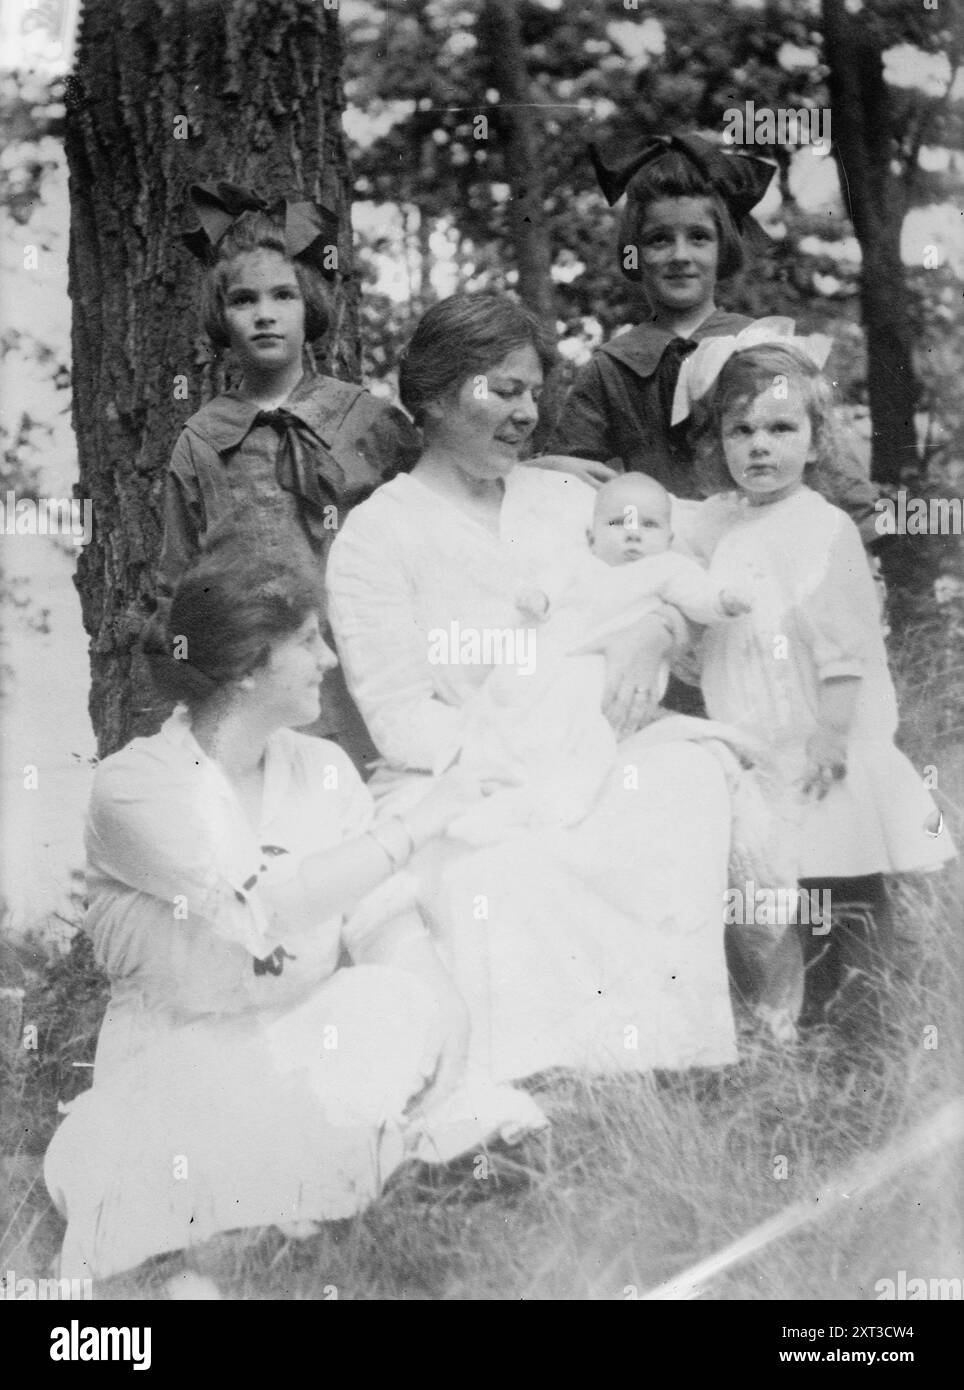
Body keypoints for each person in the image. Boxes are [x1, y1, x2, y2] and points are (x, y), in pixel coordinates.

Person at [44, 540, 543, 1284]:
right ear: (250, 665)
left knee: (398, 1005)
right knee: (155, 1166)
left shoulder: (324, 771)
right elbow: (265, 907)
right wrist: (420, 819)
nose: (329, 661)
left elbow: (381, 922)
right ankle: (281, 1211)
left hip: (304, 1038)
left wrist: (449, 1024)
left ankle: (338, 1190)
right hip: (177, 1062)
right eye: (309, 640)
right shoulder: (136, 789)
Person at [326, 291, 741, 1086]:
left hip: (598, 750)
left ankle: (670, 1061)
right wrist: (521, 756)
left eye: (532, 392)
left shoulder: (564, 501)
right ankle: (541, 1081)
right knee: (501, 868)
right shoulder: (380, 535)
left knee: (683, 782)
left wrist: (656, 629)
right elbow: (400, 717)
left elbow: (678, 571)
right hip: (462, 778)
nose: (526, 413)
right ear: (436, 396)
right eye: (502, 390)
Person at [679, 332, 956, 1031]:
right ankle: (804, 1014)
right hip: (766, 745)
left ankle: (867, 1019)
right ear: (718, 443)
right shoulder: (729, 527)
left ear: (814, 437)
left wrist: (832, 732)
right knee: (789, 886)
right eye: (741, 431)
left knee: (845, 877)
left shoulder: (822, 527)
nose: (759, 446)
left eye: (780, 428)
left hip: (822, 740)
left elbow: (845, 648)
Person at [157, 182, 420, 769]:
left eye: (283, 296)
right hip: (261, 682)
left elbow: (435, 523)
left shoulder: (369, 421)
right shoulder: (203, 440)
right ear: (221, 317)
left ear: (312, 308)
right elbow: (180, 580)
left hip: (369, 664)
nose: (265, 314)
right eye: (244, 300)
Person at [540, 133, 880, 542]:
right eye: (659, 240)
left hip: (766, 548)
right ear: (636, 253)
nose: (680, 255)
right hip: (667, 553)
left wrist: (867, 547)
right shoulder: (611, 368)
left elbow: (832, 467)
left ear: (723, 249)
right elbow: (563, 478)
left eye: (699, 237)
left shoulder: (763, 347)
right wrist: (555, 470)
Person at [447, 471, 753, 841]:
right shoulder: (578, 562)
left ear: (669, 539)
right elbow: (549, 586)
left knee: (586, 736)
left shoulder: (668, 568)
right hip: (556, 659)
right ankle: (493, 782)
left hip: (608, 675)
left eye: (649, 524)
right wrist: (537, 598)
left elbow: (698, 595)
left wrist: (722, 601)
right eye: (617, 523)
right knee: (509, 706)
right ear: (591, 536)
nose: (633, 533)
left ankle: (559, 804)